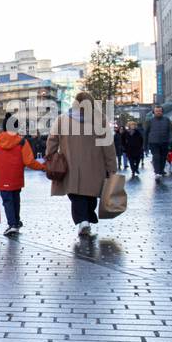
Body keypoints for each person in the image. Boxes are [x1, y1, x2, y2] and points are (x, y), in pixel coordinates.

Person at [48, 91, 119, 238]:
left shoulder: (62, 120)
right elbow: (108, 146)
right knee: (90, 193)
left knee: (75, 194)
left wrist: (51, 156)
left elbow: (52, 140)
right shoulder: (100, 120)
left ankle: (83, 221)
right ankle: (87, 218)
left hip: (70, 165)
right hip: (95, 166)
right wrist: (112, 167)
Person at [0, 114, 45, 237]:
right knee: (15, 199)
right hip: (16, 177)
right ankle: (16, 222)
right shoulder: (22, 142)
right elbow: (29, 161)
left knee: (7, 201)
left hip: (2, 178)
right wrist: (43, 167)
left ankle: (12, 225)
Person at [144, 105, 172, 181]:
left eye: (160, 111)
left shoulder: (166, 120)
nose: (158, 112)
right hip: (153, 142)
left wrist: (171, 139)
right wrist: (145, 145)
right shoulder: (150, 121)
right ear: (154, 112)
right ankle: (157, 172)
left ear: (162, 112)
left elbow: (171, 130)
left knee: (163, 157)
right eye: (157, 111)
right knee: (156, 156)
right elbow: (146, 132)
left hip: (164, 141)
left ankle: (161, 170)